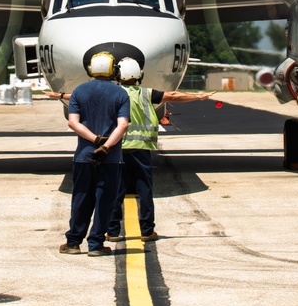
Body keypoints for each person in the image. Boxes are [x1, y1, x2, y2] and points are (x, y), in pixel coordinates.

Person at [106, 57, 216, 243]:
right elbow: (173, 96)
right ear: (139, 75)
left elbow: (84, 96)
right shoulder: (148, 93)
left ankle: (113, 231)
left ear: (118, 75)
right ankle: (147, 231)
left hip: (119, 149)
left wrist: (60, 96)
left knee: (117, 190)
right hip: (142, 149)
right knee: (145, 190)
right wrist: (199, 96)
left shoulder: (113, 94)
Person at [59, 52, 130, 257]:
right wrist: (106, 146)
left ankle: (73, 242)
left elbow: (73, 122)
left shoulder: (79, 91)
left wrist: (94, 140)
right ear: (113, 71)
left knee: (81, 198)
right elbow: (122, 124)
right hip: (111, 158)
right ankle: (96, 244)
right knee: (105, 200)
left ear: (90, 69)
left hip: (84, 155)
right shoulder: (120, 93)